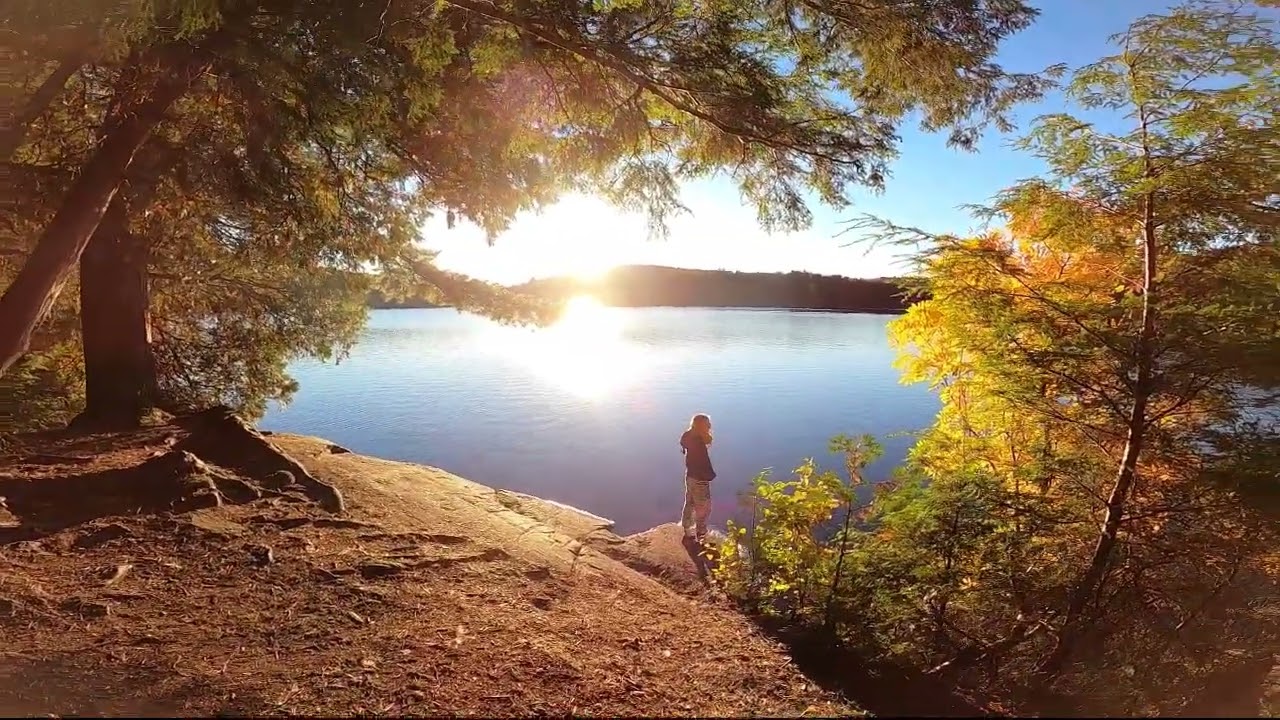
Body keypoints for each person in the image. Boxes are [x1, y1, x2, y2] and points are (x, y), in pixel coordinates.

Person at [679, 413, 716, 541]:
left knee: (689, 502)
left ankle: (687, 527)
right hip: (700, 479)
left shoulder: (688, 437)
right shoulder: (699, 443)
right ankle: (701, 531)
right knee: (704, 506)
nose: (710, 427)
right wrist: (710, 475)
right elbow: (703, 463)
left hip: (690, 476)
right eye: (708, 425)